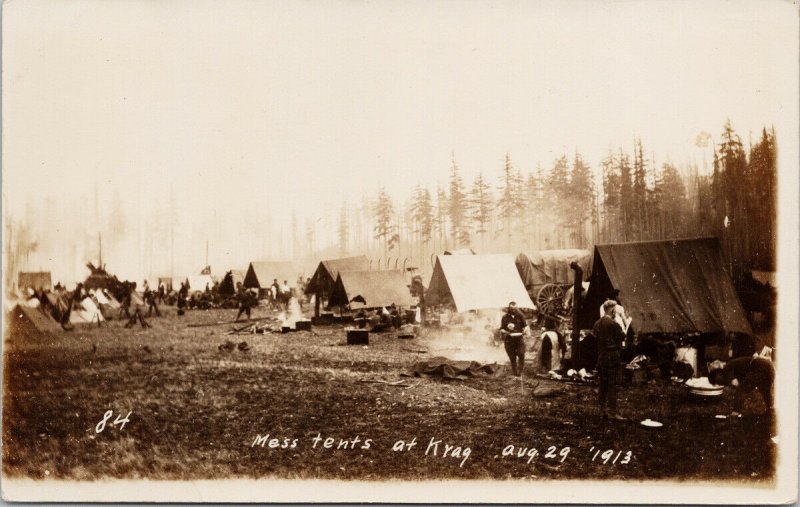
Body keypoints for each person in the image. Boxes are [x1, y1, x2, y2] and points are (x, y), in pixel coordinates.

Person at [593, 300, 626, 420]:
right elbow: (622, 336)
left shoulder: (597, 323)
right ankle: (612, 412)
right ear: (612, 310)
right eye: (615, 310)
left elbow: (595, 337)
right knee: (612, 384)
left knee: (603, 384)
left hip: (602, 356)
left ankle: (602, 411)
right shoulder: (613, 324)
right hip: (612, 355)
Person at [709, 356, 775, 414]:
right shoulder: (730, 367)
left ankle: (735, 413)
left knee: (741, 390)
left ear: (717, 375)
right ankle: (771, 411)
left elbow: (736, 384)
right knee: (765, 391)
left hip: (758, 367)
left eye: (717, 382)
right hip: (769, 366)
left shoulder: (726, 369)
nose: (719, 383)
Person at [500, 301, 527, 376]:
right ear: (509, 308)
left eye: (515, 309)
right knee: (512, 357)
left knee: (521, 353)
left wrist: (525, 330)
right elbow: (501, 328)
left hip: (519, 338)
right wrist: (506, 331)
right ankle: (515, 372)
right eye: (512, 309)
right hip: (509, 339)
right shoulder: (505, 317)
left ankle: (520, 371)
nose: (513, 310)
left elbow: (525, 326)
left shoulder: (520, 316)